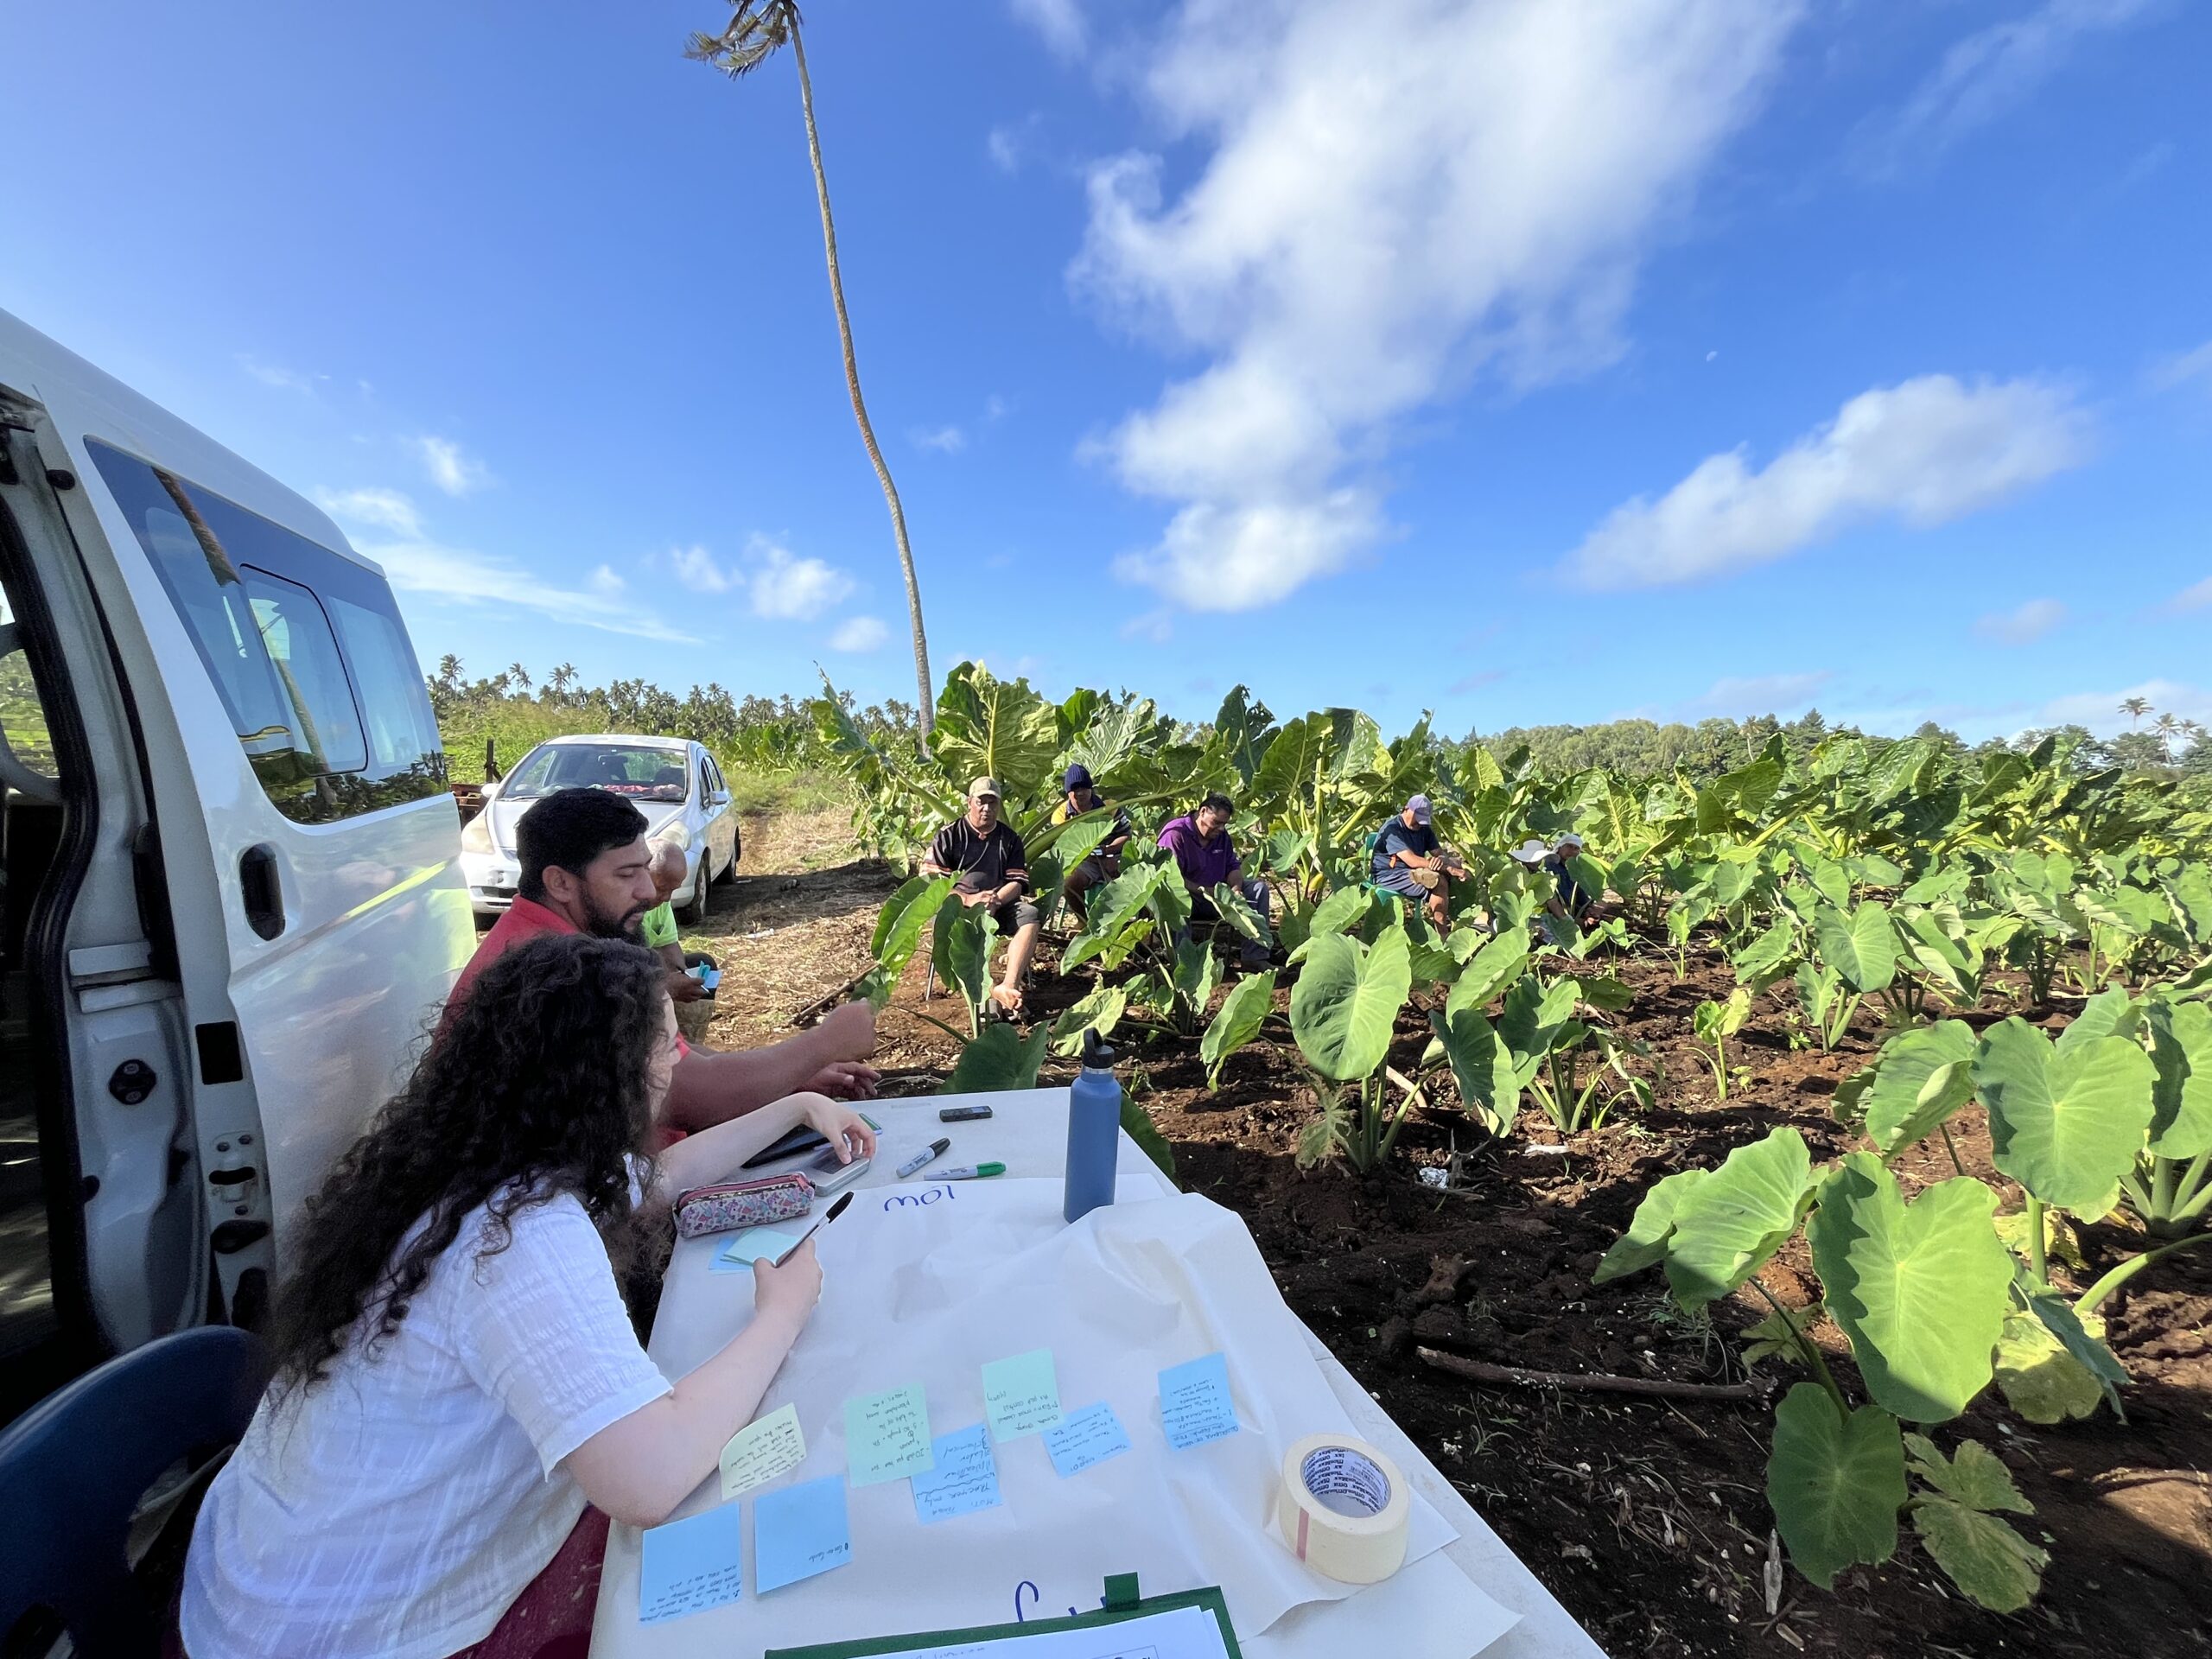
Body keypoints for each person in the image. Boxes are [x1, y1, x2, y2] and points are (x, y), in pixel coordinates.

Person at [178, 933, 876, 1659]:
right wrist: (782, 1314)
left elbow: (655, 1181)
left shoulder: (467, 1162)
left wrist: (795, 1107)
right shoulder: (517, 1238)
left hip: (265, 1583)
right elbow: (649, 1479)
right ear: (608, 1076)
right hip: (349, 1633)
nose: (678, 1062)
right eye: (667, 1047)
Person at [450, 787, 877, 1128]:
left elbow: (674, 1054)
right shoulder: (560, 972)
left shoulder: (550, 937)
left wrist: (790, 1075)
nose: (647, 892)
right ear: (560, 882)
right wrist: (824, 1043)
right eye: (625, 874)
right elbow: (690, 1097)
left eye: (643, 869)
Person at [919, 777, 1041, 1015]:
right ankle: (989, 994)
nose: (987, 809)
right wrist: (969, 900)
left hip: (998, 905)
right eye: (981, 802)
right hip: (956, 907)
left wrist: (995, 900)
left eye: (993, 803)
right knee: (956, 935)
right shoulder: (949, 836)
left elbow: (1017, 883)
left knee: (1030, 916)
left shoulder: (1009, 839)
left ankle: (1009, 987)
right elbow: (934, 884)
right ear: (970, 803)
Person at [1158, 791, 1271, 969]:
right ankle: (1184, 964)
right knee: (1174, 899)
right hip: (1190, 898)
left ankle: (1255, 957)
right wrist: (1204, 890)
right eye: (1216, 823)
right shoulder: (1176, 833)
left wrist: (1235, 888)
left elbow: (1233, 867)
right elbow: (1171, 878)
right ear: (1202, 812)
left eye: (1224, 824)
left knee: (1258, 889)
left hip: (1219, 897)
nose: (1220, 829)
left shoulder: (1221, 836)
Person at [641, 840, 717, 1045]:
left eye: (673, 890)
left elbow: (668, 945)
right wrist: (666, 983)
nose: (666, 898)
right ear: (642, 873)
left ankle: (690, 1042)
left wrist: (683, 974)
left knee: (705, 965)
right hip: (626, 979)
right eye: (662, 888)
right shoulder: (624, 904)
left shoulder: (660, 904)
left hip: (648, 970)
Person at [1370, 793, 1465, 931]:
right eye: (1418, 818)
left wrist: (1443, 861)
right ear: (1407, 809)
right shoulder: (1392, 830)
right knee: (1437, 879)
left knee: (1443, 879)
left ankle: (1445, 929)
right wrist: (1451, 869)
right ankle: (1442, 931)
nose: (1420, 823)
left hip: (1414, 873)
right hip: (1389, 874)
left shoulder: (1423, 828)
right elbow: (1412, 860)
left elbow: (1438, 852)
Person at [1052, 763, 1133, 925]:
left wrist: (1108, 852)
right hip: (1083, 861)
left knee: (1140, 879)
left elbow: (1126, 835)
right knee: (1069, 883)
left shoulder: (1109, 807)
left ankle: (1137, 923)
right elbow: (1068, 848)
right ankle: (1084, 922)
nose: (1080, 793)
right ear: (1068, 792)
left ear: (1091, 789)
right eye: (1075, 789)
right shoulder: (1061, 815)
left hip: (1112, 855)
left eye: (1084, 788)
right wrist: (1099, 859)